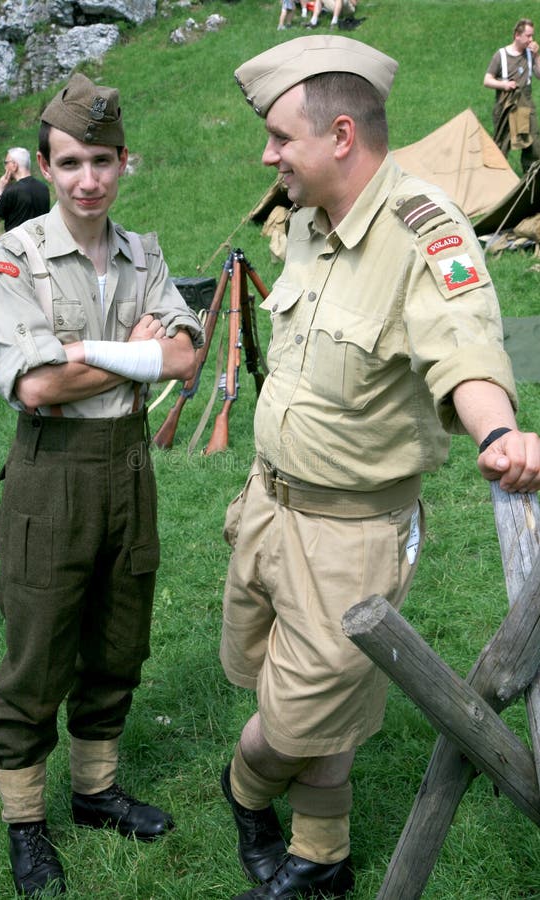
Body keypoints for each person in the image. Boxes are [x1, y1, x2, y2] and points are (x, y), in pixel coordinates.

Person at [219, 35, 540, 900]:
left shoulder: (421, 230)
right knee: (292, 692)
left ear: (343, 135)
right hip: (266, 510)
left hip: (350, 532)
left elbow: (465, 342)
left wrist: (499, 432)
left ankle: (245, 791)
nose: (268, 153)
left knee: (289, 720)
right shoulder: (309, 221)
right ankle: (322, 857)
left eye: (282, 137)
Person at [0, 73, 204, 897]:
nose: (87, 180)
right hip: (51, 476)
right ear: (46, 163)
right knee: (39, 653)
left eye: (102, 160)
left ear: (123, 162)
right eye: (70, 162)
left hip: (127, 472)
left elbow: (183, 357)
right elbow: (32, 388)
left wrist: (80, 352)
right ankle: (26, 822)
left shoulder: (144, 253)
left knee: (118, 642)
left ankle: (97, 791)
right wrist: (126, 350)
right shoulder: (15, 255)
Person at [484, 18, 540, 172]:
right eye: (528, 36)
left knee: (533, 147)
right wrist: (504, 84)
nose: (531, 40)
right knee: (501, 146)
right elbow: (487, 80)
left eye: (532, 36)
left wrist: (537, 56)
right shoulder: (501, 55)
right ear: (517, 35)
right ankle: (496, 181)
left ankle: (530, 182)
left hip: (525, 105)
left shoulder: (530, 54)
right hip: (506, 105)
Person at [0, 146, 50, 231]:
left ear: (14, 165)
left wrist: (0, 190)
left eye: (6, 163)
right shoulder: (44, 188)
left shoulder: (12, 191)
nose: (5, 167)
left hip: (17, 243)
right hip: (41, 242)